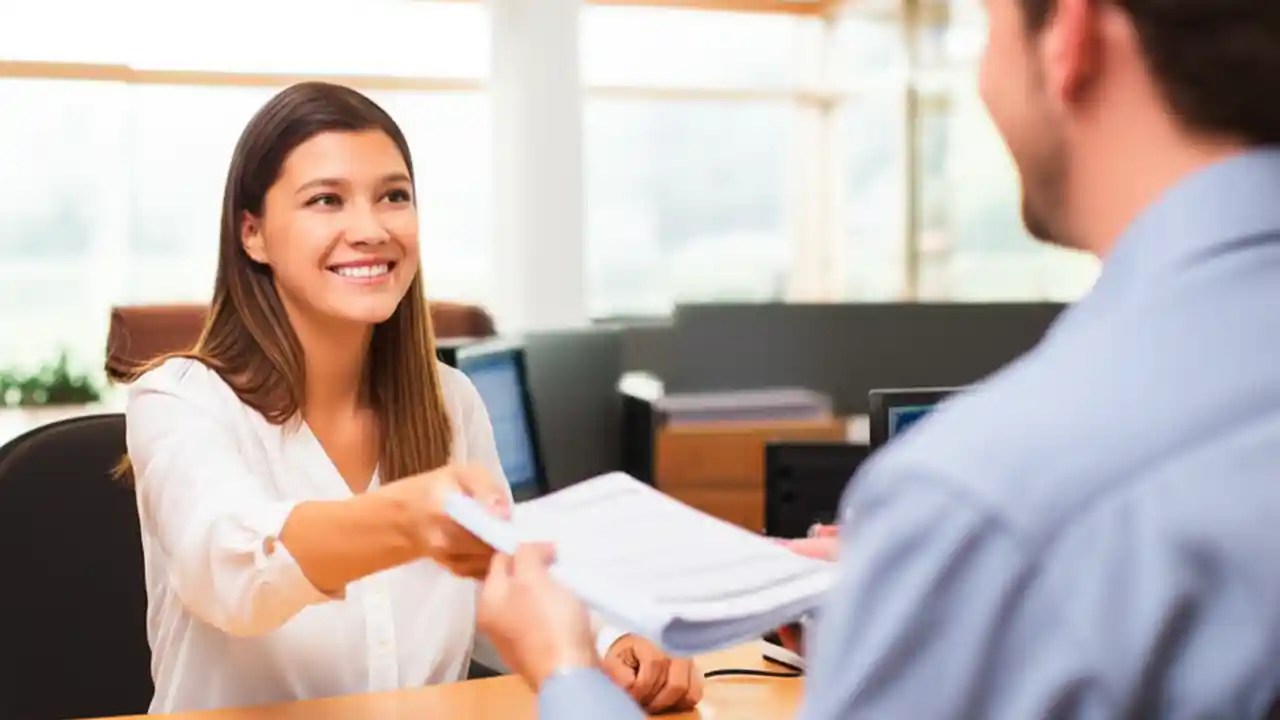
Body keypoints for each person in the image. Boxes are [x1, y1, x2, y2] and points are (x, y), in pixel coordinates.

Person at [476, 0, 1280, 716]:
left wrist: (566, 671)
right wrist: (908, 595)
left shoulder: (984, 500)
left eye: (988, 22)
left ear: (1071, 35)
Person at [121, 81, 700, 715]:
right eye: (326, 200)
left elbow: (499, 587)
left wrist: (610, 642)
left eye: (393, 196)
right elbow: (227, 570)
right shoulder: (179, 400)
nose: (371, 229)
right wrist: (408, 519)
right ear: (252, 233)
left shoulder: (452, 402)